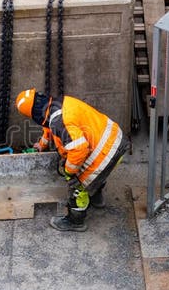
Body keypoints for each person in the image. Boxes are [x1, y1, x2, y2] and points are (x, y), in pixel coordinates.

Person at [15, 89, 129, 233]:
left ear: (33, 114)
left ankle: (76, 221)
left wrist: (70, 172)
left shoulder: (58, 122)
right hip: (116, 140)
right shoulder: (58, 104)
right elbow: (49, 127)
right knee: (90, 170)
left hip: (105, 153)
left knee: (77, 182)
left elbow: (79, 149)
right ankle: (96, 197)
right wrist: (41, 144)